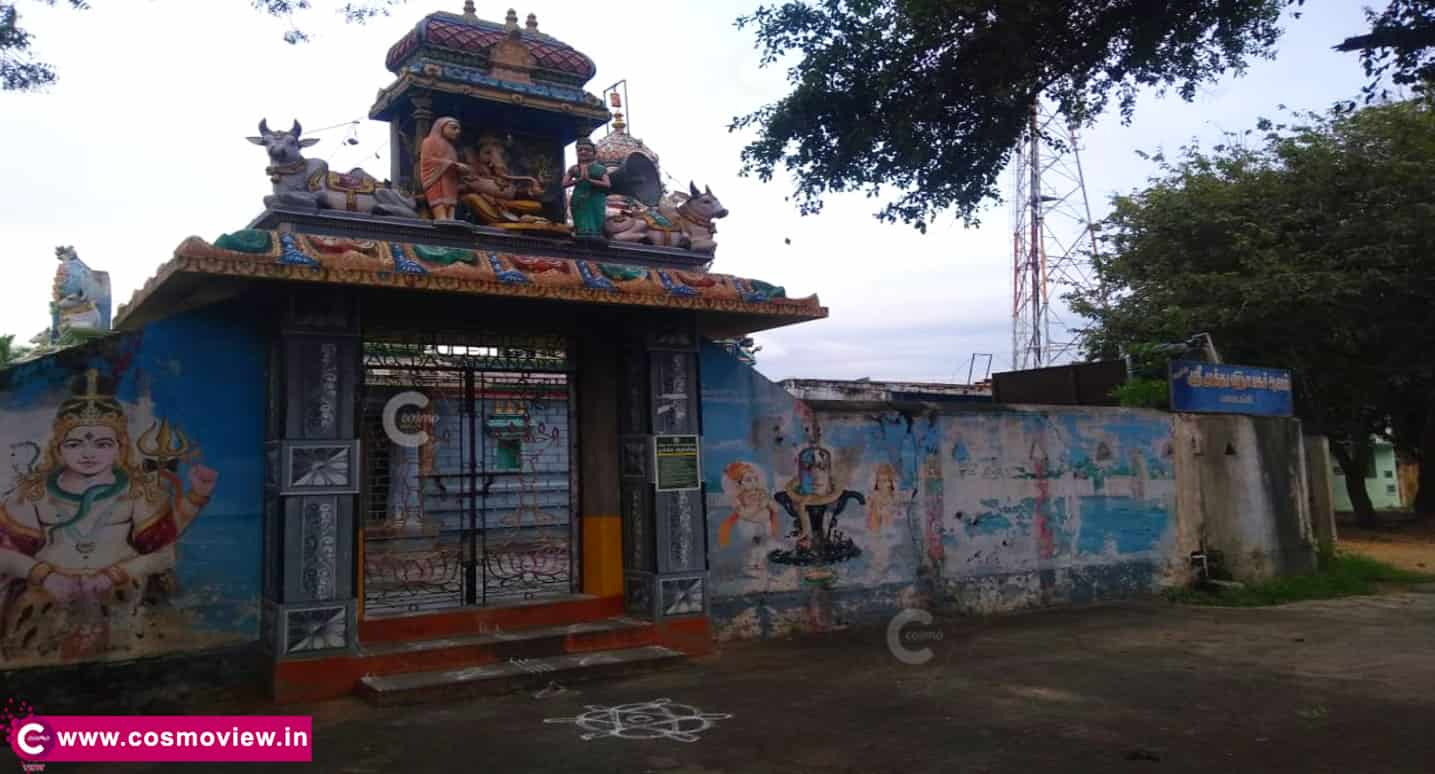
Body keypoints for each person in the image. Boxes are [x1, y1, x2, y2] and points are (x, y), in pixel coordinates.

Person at [0, 370, 217, 660]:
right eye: (75, 444)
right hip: (50, 595)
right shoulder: (35, 494)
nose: (88, 453)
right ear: (58, 448)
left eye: (102, 444)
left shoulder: (137, 493)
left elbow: (164, 552)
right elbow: (5, 553)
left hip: (119, 592)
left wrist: (114, 576)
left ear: (119, 448)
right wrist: (46, 576)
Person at [419, 117, 471, 221]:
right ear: (441, 127)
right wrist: (452, 164)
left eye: (458, 129)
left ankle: (451, 218)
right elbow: (427, 160)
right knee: (440, 205)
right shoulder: (429, 141)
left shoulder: (451, 147)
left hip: (450, 181)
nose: (457, 131)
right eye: (453, 128)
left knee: (451, 207)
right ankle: (441, 217)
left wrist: (461, 169)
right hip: (436, 179)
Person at [563, 138, 612, 239]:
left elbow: (607, 184)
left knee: (596, 219)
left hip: (595, 197)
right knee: (580, 219)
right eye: (580, 150)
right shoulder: (574, 169)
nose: (583, 152)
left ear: (593, 153)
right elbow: (564, 184)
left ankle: (596, 235)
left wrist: (589, 180)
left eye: (587, 150)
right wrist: (579, 180)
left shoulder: (600, 168)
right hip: (579, 196)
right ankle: (581, 234)